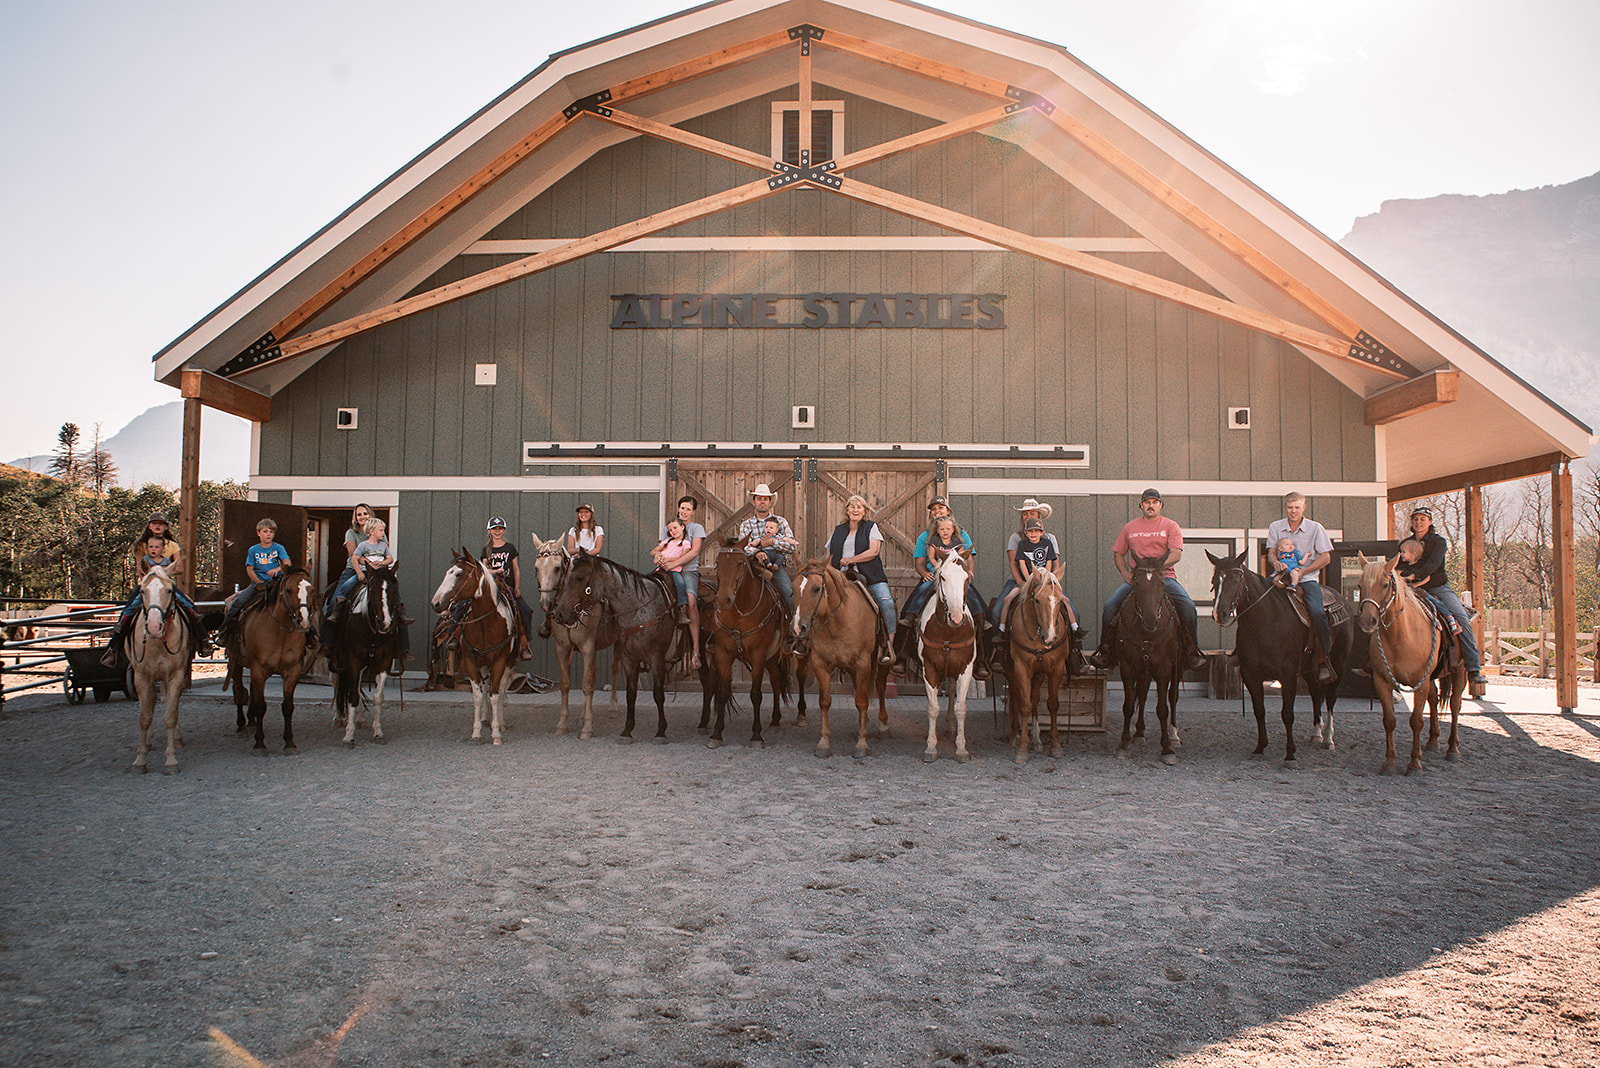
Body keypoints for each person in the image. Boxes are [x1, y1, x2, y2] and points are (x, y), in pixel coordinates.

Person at [1085, 488, 1210, 673]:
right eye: (1147, 502)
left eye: (1154, 502)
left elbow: (1176, 554)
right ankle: (1106, 651)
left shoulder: (1170, 526)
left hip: (1164, 578)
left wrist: (1156, 568)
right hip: (1137, 580)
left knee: (1188, 607)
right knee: (1110, 606)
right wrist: (1125, 574)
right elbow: (1118, 553)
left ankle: (1192, 652)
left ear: (1160, 505)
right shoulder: (1130, 527)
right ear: (1141, 505)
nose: (1150, 505)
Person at [1396, 505, 1487, 686]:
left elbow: (1434, 564)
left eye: (1422, 519)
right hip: (1409, 588)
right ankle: (1376, 665)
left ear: (1430, 522)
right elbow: (1399, 564)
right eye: (1415, 519)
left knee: (1461, 617)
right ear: (1411, 523)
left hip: (1437, 587)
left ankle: (1473, 667)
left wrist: (1414, 575)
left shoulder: (1438, 542)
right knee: (1386, 612)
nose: (1418, 522)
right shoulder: (1404, 543)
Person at [1264, 492, 1338, 685]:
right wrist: (1275, 564)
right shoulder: (1276, 527)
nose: (1293, 511)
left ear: (1304, 507)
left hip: (1307, 579)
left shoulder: (1315, 528)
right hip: (1280, 576)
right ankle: (1246, 652)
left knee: (1317, 612)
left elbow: (1326, 557)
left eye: (1297, 507)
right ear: (1285, 508)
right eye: (1290, 507)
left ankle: (1324, 661)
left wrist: (1303, 571)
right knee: (1257, 600)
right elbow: (1271, 553)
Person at [101, 528, 203, 664]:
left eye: (157, 547)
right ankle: (114, 646)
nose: (153, 549)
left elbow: (176, 570)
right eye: (151, 547)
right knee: (130, 608)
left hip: (164, 586)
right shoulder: (145, 559)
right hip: (147, 587)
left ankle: (202, 637)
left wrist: (163, 572)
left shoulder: (166, 560)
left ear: (162, 549)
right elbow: (141, 571)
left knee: (186, 603)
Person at [825, 494, 895, 665]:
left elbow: (874, 551)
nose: (855, 510)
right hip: (840, 576)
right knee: (816, 599)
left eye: (859, 507)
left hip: (869, 576)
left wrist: (852, 559)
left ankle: (888, 645)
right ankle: (809, 641)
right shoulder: (838, 530)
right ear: (847, 510)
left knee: (886, 603)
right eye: (852, 506)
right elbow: (828, 555)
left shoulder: (871, 527)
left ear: (864, 511)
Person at [218, 518, 293, 643]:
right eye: (265, 531)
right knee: (239, 602)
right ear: (258, 533)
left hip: (277, 583)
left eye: (271, 532)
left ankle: (306, 634)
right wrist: (258, 583)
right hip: (259, 583)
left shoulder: (279, 548)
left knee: (294, 603)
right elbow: (250, 569)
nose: (268, 534)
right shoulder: (253, 550)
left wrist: (277, 569)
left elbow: (287, 563)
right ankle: (224, 630)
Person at [652, 496, 705, 669]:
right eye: (682, 508)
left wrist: (673, 563)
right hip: (667, 569)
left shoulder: (696, 528)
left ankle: (696, 649)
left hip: (687, 571)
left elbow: (694, 551)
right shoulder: (668, 528)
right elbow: (661, 548)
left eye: (688, 509)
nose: (684, 512)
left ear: (693, 512)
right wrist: (659, 557)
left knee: (690, 601)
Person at [737, 484, 796, 613]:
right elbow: (743, 547)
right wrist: (757, 552)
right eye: (759, 498)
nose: (762, 502)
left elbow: (792, 547)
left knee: (789, 592)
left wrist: (772, 542)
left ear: (770, 502)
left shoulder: (781, 522)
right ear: (754, 502)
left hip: (776, 566)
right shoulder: (746, 525)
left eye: (765, 499)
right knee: (732, 592)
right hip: (752, 567)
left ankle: (794, 627)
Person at [483, 517, 534, 660]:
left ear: (503, 530)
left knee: (525, 610)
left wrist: (517, 587)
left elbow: (516, 569)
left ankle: (525, 643)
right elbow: (485, 570)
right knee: (467, 605)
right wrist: (496, 571)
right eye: (494, 529)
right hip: (492, 587)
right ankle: (456, 636)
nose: (497, 531)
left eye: (500, 529)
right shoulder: (486, 549)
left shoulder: (510, 548)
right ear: (490, 531)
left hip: (508, 587)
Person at [324, 504, 375, 635]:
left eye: (365, 513)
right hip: (353, 570)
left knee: (394, 597)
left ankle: (403, 648)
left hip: (375, 571)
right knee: (335, 601)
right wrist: (369, 562)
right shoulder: (351, 533)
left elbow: (384, 550)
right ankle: (327, 644)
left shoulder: (378, 531)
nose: (362, 517)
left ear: (370, 514)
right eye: (359, 514)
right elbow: (353, 553)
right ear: (355, 518)